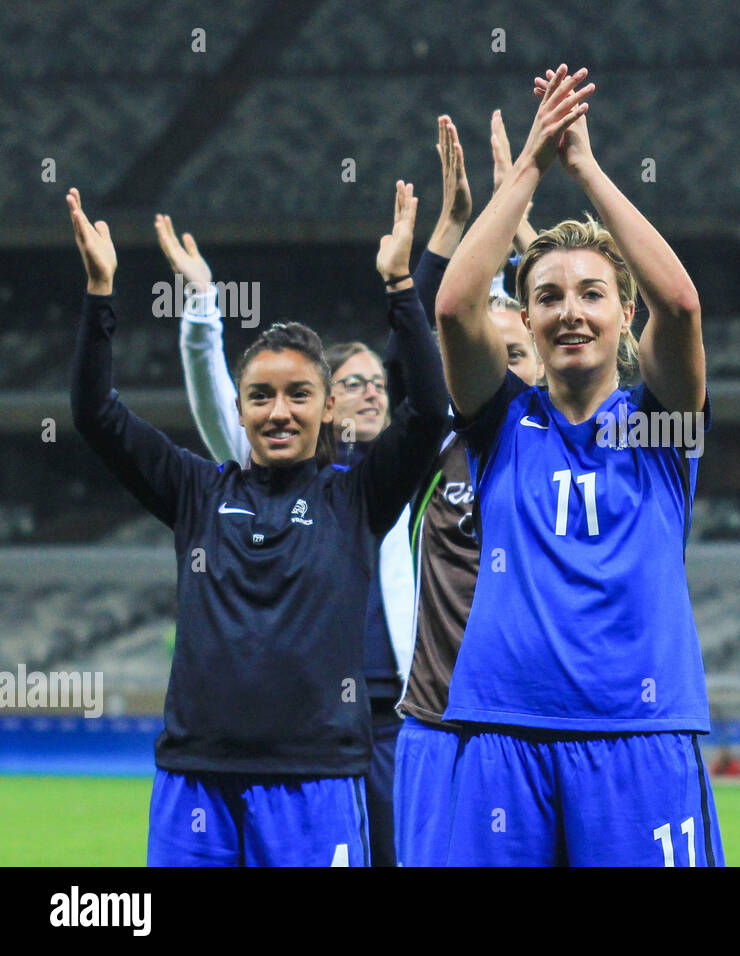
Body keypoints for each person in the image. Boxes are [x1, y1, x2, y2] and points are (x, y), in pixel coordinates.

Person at [69, 181, 446, 866]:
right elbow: (98, 416)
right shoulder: (196, 489)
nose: (279, 411)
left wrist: (401, 287)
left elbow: (428, 413)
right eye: (261, 396)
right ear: (237, 411)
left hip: (318, 782)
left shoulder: (357, 498)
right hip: (195, 779)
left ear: (329, 407)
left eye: (299, 394)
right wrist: (100, 295)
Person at [433, 64, 722, 866]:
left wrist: (586, 169)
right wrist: (528, 167)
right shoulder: (500, 421)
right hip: (505, 732)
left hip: (638, 730)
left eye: (593, 294)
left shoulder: (663, 427)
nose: (569, 312)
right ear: (524, 317)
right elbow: (454, 306)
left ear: (624, 313)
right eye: (549, 296)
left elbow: (685, 304)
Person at [153, 215, 415, 868]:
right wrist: (203, 313)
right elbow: (221, 408)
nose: (370, 393)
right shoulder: (276, 474)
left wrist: (414, 279)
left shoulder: (405, 474)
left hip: (406, 715)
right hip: (322, 730)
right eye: (352, 381)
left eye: (379, 382)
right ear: (327, 400)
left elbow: (444, 390)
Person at [393, 112, 543, 867]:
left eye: (520, 353)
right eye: (492, 355)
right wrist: (449, 232)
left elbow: (605, 322)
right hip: (437, 723)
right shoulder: (437, 447)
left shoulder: (582, 448)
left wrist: (524, 223)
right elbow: (419, 349)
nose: (505, 369)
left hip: (534, 723)